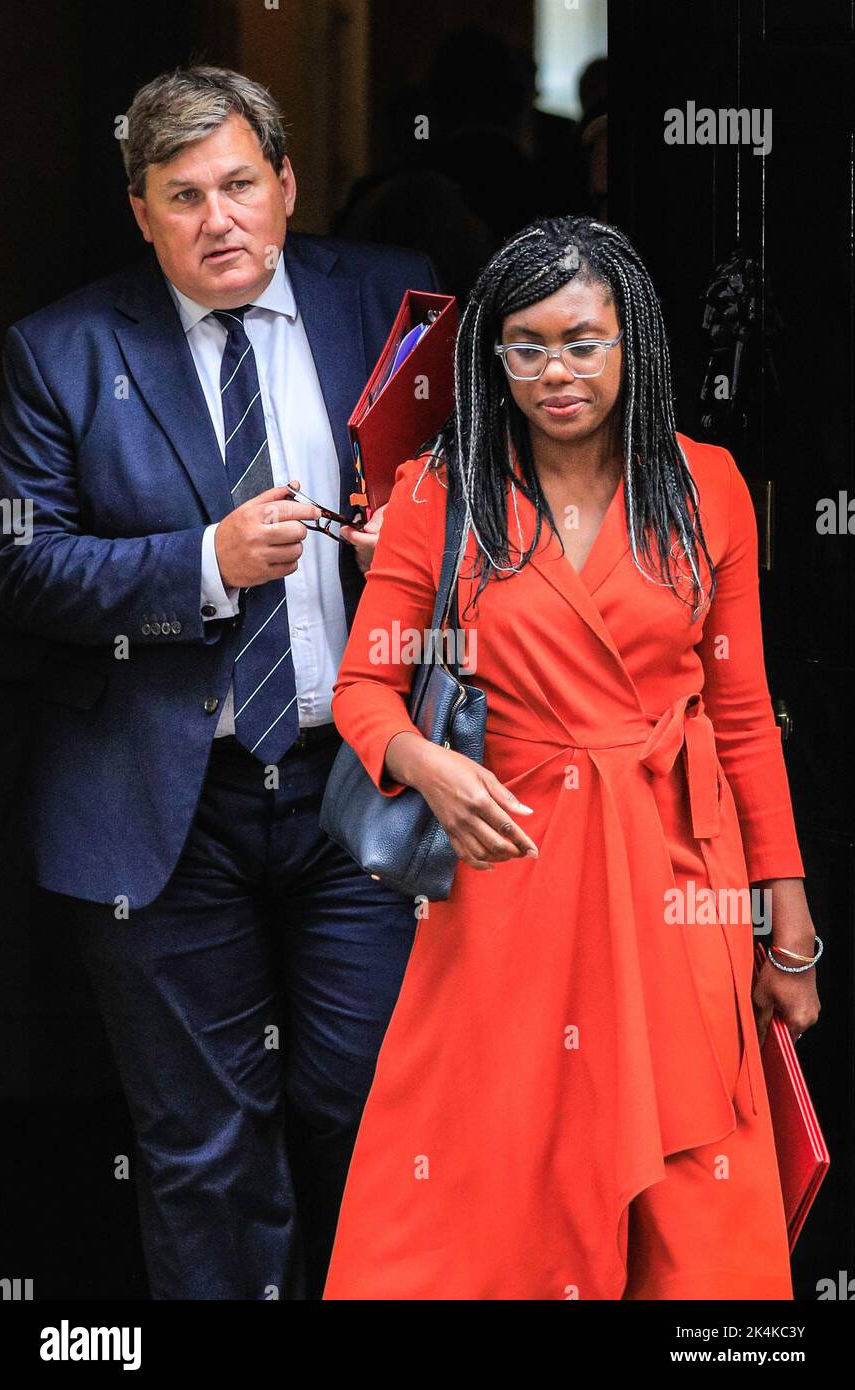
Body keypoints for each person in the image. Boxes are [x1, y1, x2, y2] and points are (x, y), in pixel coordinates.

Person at [0, 64, 440, 1300]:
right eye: (182, 195)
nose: (218, 218)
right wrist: (201, 562)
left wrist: (416, 538)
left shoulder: (398, 308)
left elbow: (499, 520)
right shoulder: (61, 349)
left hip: (364, 792)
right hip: (157, 809)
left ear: (288, 185)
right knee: (202, 1149)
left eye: (241, 184)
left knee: (379, 1111)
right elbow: (16, 568)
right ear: (141, 211)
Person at [321, 215, 821, 1300]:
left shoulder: (708, 487)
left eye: (584, 341)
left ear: (630, 344)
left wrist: (787, 918)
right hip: (512, 875)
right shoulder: (436, 493)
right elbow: (360, 688)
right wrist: (426, 764)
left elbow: (740, 719)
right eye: (526, 344)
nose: (557, 371)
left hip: (677, 880)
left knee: (694, 1186)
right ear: (490, 357)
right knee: (492, 1170)